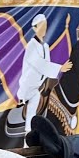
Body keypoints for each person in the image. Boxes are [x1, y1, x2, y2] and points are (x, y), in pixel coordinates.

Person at [16, 14, 71, 146]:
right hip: (29, 87)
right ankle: (27, 142)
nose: (44, 29)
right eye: (41, 26)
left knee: (37, 109)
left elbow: (46, 64)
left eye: (46, 26)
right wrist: (59, 68)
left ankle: (32, 139)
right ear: (35, 28)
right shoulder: (32, 46)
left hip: (39, 85)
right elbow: (39, 64)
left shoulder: (45, 46)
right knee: (31, 108)